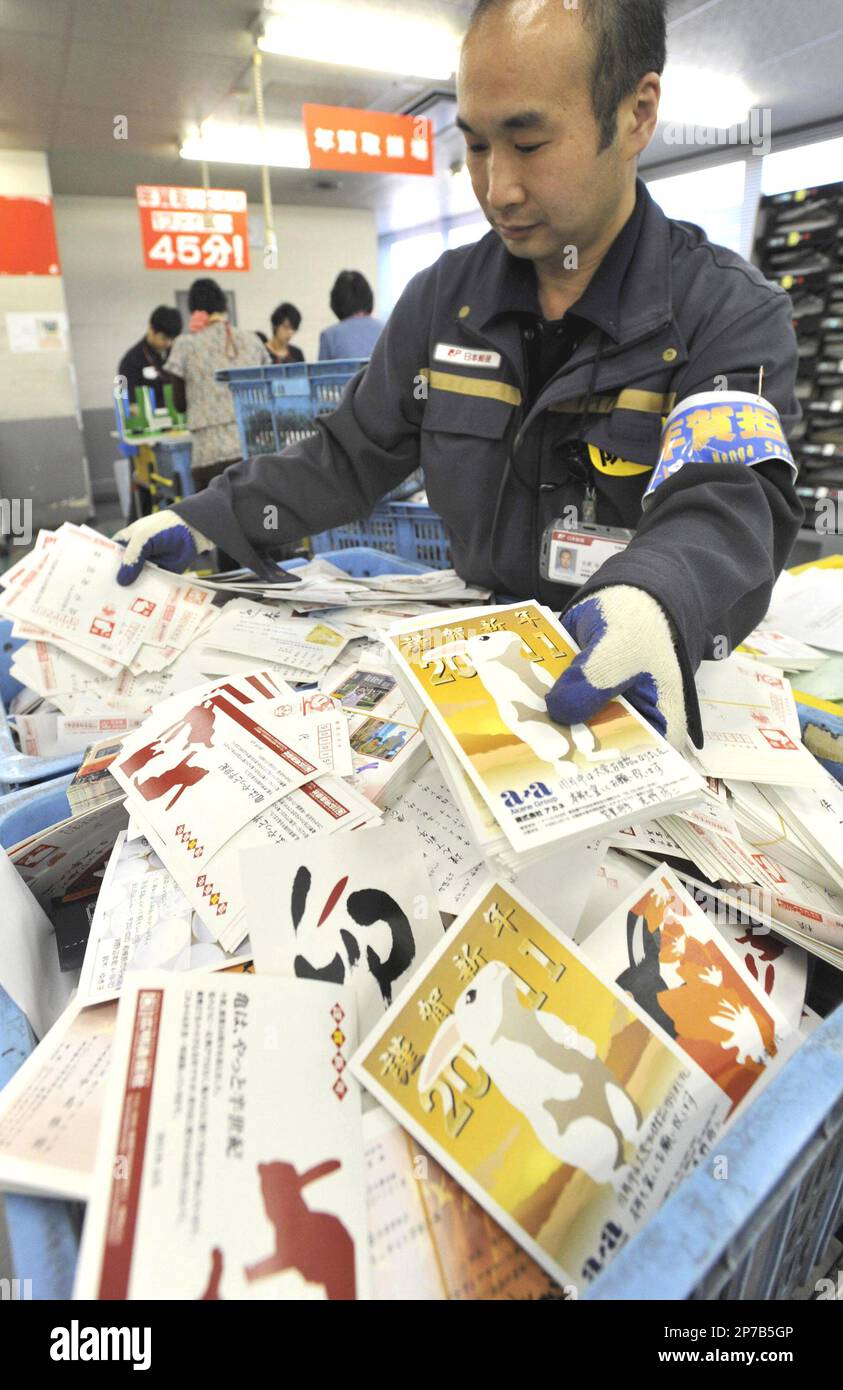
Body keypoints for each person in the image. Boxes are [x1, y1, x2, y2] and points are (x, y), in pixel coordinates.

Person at [115, 0, 802, 753]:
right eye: (474, 146)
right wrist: (207, 520)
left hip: (639, 676)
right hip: (484, 661)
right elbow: (348, 456)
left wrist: (656, 595)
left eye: (529, 142)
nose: (496, 187)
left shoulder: (725, 312)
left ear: (635, 114)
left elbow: (730, 498)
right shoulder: (444, 302)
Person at [160, 278, 269, 489]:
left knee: (213, 518)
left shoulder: (185, 345)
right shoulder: (252, 340)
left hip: (208, 455)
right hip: (253, 449)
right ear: (224, 306)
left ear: (193, 310)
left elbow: (179, 403)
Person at [117, 306, 182, 408]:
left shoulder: (176, 354)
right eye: (164, 338)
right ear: (151, 330)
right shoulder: (130, 361)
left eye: (172, 339)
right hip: (150, 421)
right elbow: (128, 403)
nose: (168, 343)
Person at [318, 272, 384, 359]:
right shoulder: (386, 329)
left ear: (336, 301)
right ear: (369, 297)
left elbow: (323, 372)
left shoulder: (329, 336)